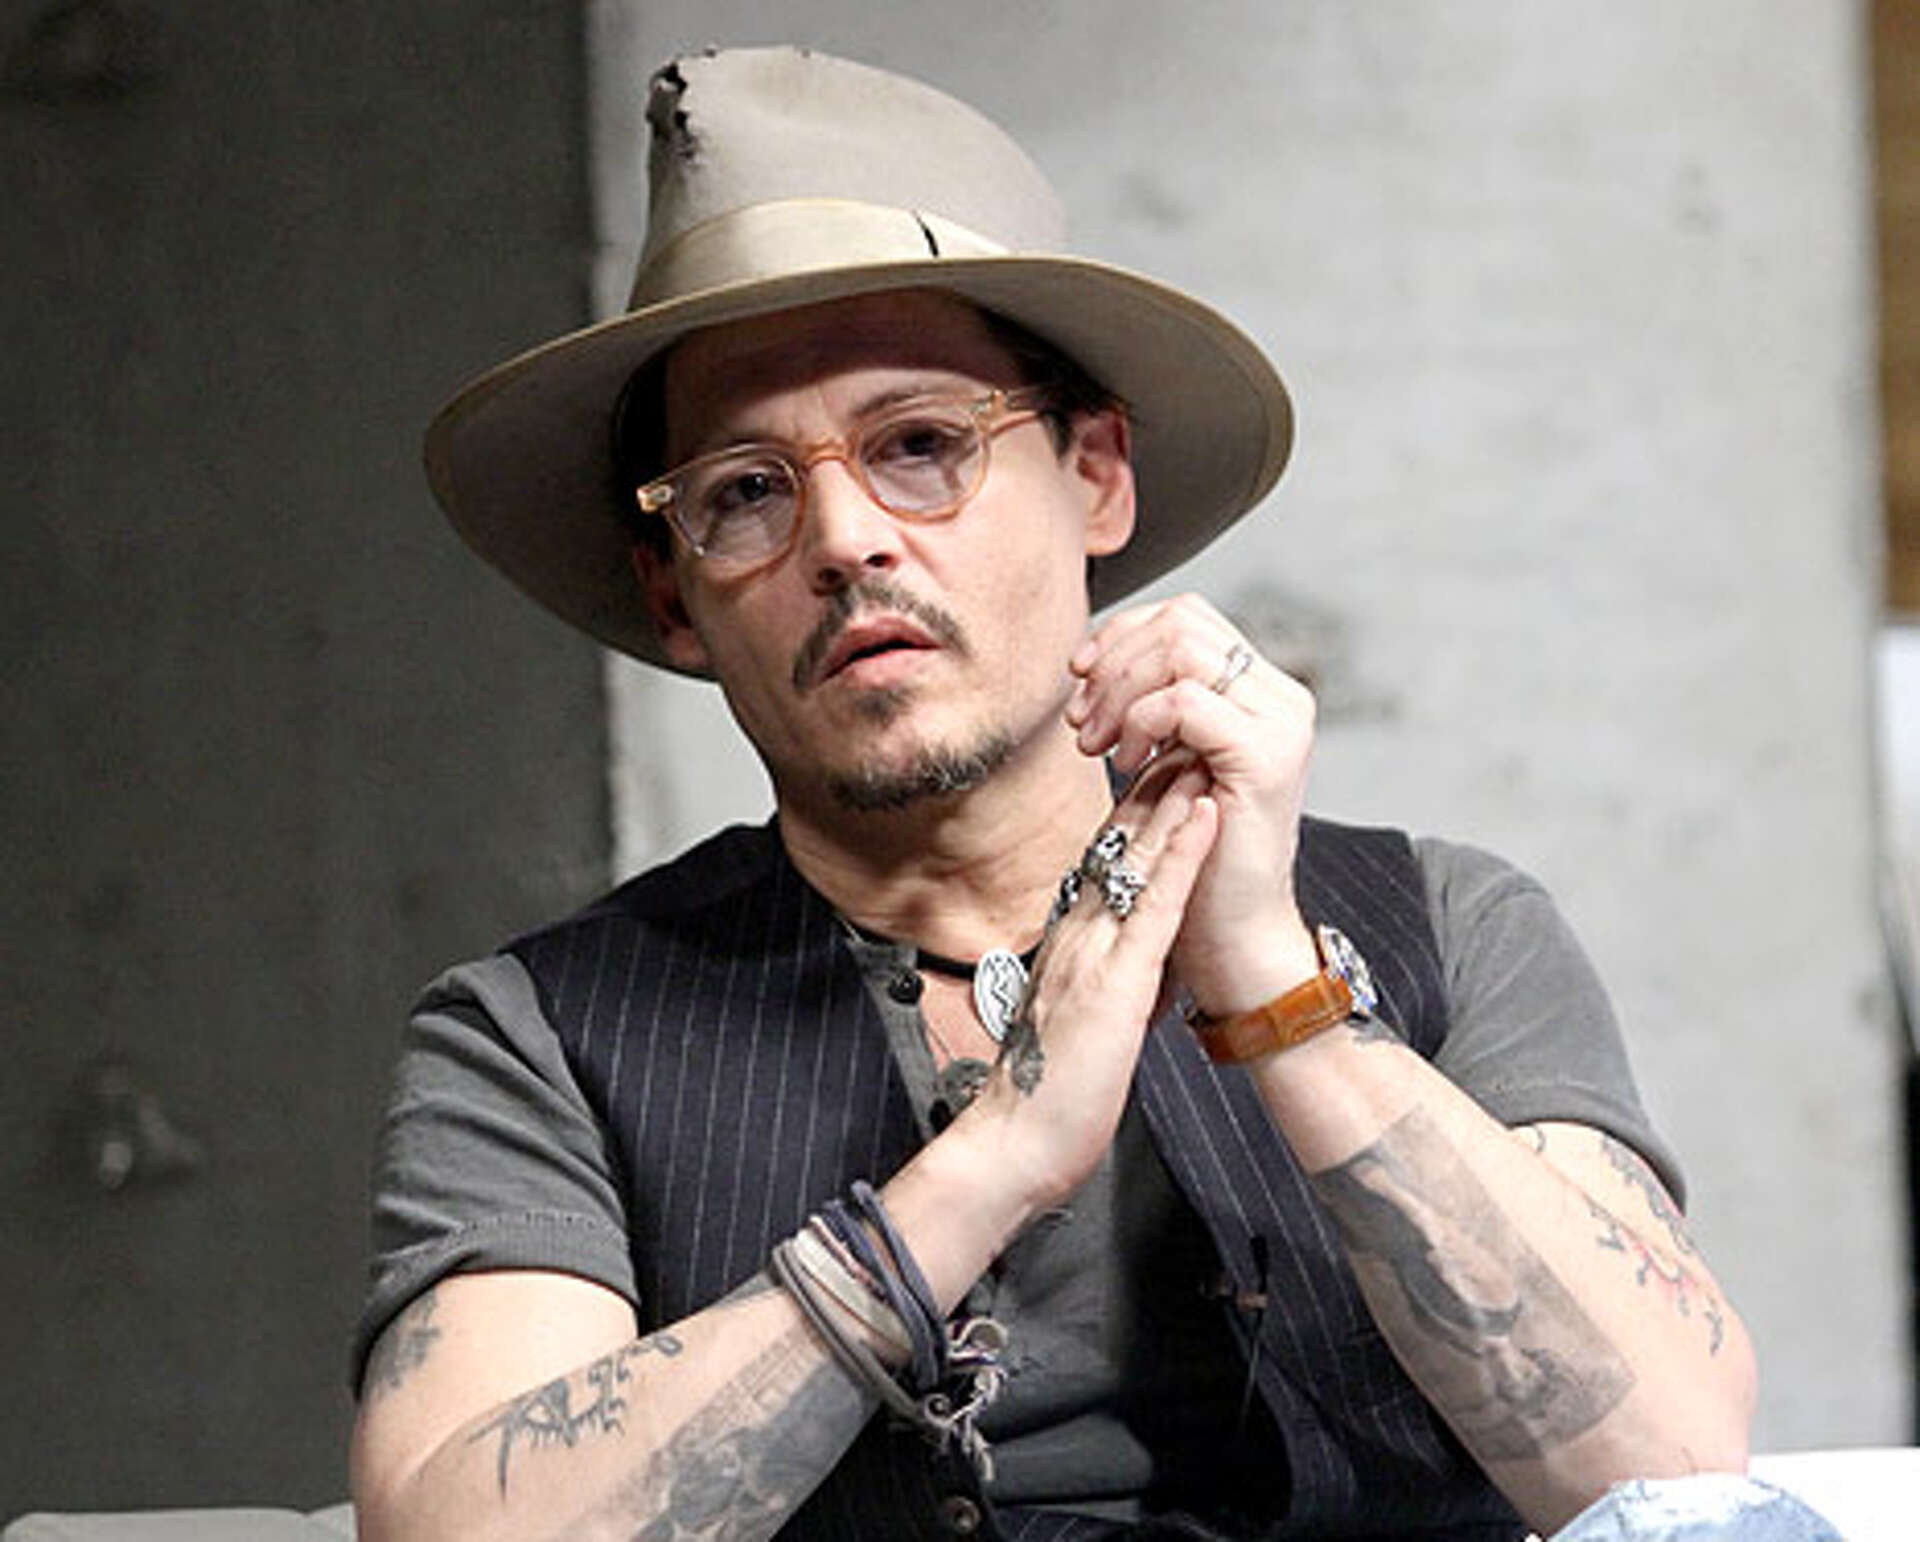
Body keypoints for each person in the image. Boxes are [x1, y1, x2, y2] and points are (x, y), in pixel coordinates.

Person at [347, 45, 1782, 1542]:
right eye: (747, 491)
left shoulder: (1448, 924)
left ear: (1097, 473)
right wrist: (993, 1161)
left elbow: (1676, 1477)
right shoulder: (541, 1036)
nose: (844, 540)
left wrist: (1279, 993)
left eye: (920, 445)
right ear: (675, 596)